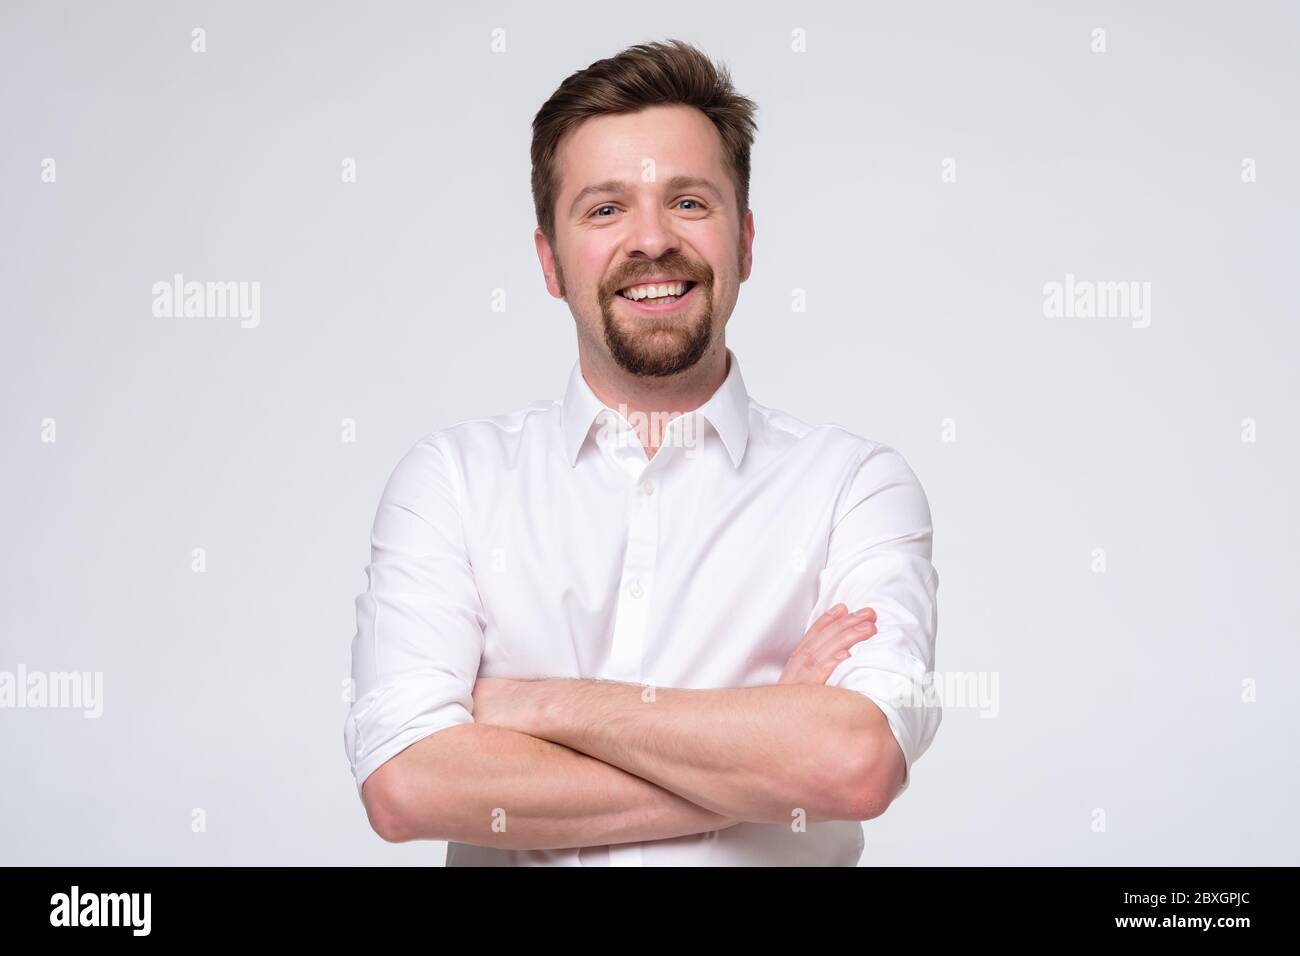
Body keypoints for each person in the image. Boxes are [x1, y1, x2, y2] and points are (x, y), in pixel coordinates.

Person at [343, 38, 941, 866]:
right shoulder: (449, 483)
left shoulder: (855, 488)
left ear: (747, 242)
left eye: (690, 202)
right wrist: (760, 747)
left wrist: (531, 707)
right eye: (604, 208)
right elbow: (408, 787)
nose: (651, 240)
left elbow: (852, 762)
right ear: (551, 261)